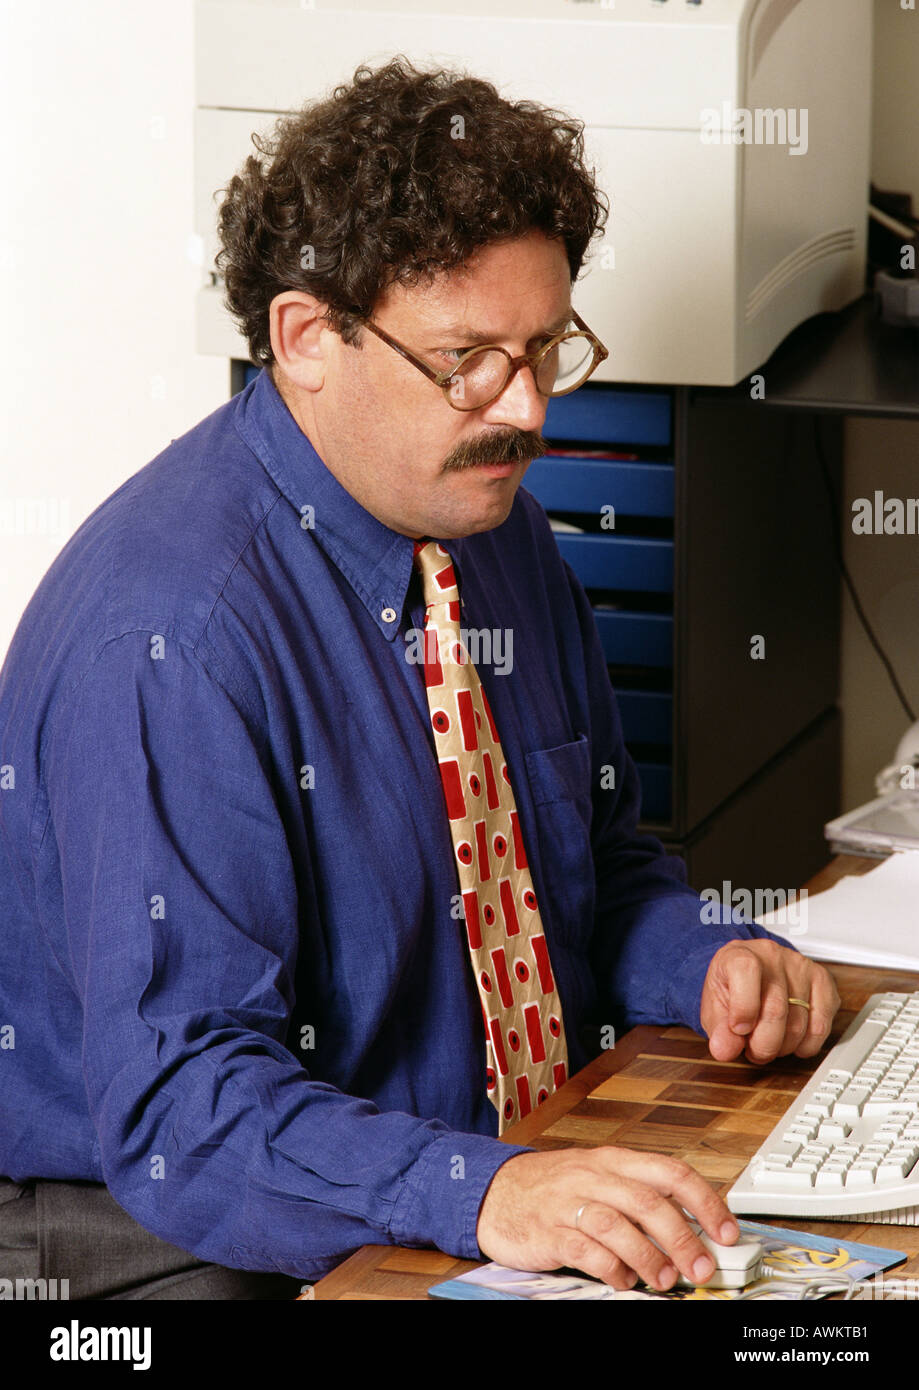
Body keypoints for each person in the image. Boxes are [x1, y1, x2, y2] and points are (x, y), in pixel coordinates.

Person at [0, 56, 839, 1300]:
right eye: (467, 361)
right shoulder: (171, 637)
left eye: (546, 347)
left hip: (449, 1170)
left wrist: (708, 962)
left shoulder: (493, 534)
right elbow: (185, 1109)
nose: (526, 408)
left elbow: (599, 874)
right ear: (305, 340)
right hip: (178, 1234)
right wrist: (487, 1191)